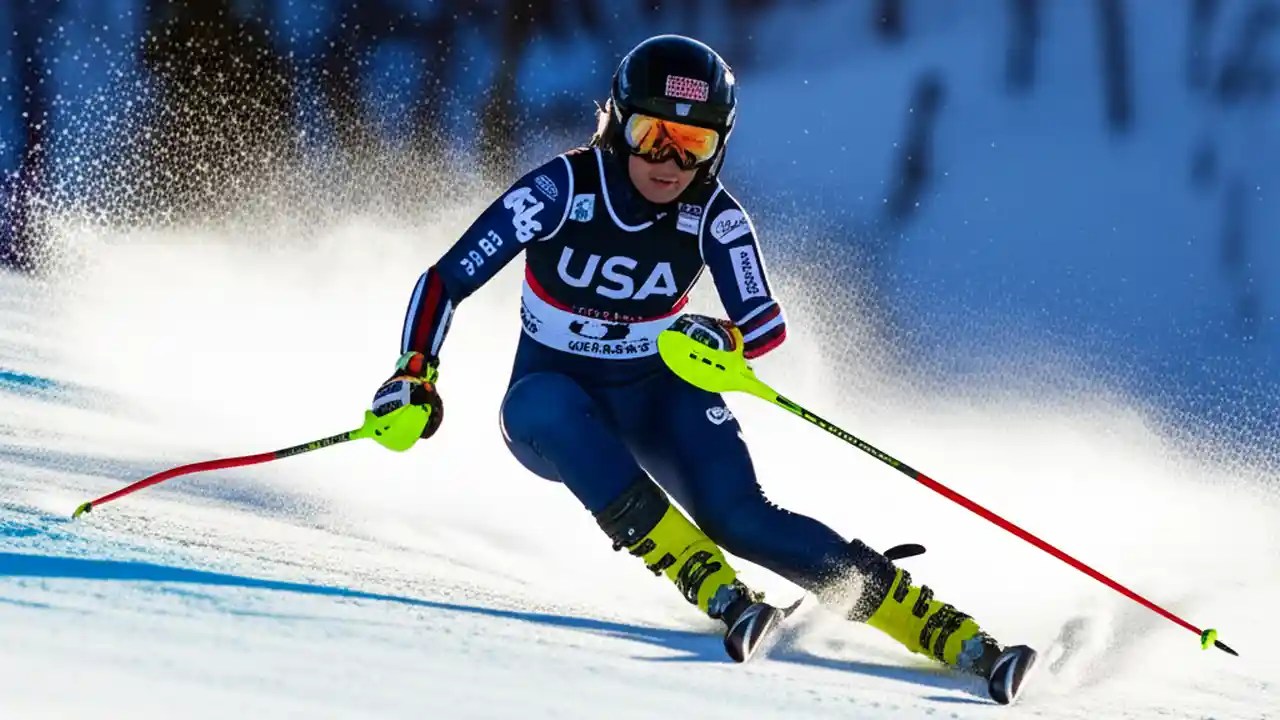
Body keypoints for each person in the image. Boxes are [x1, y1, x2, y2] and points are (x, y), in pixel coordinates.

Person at [368, 34, 1037, 704]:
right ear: (618, 126)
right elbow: (444, 280)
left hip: (660, 399)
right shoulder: (559, 189)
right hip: (564, 410)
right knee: (533, 405)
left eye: (693, 144)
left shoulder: (713, 217)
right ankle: (708, 582)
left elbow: (765, 323)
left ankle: (949, 633)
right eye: (654, 134)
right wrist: (414, 372)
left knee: (742, 518)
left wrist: (724, 336)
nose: (669, 161)